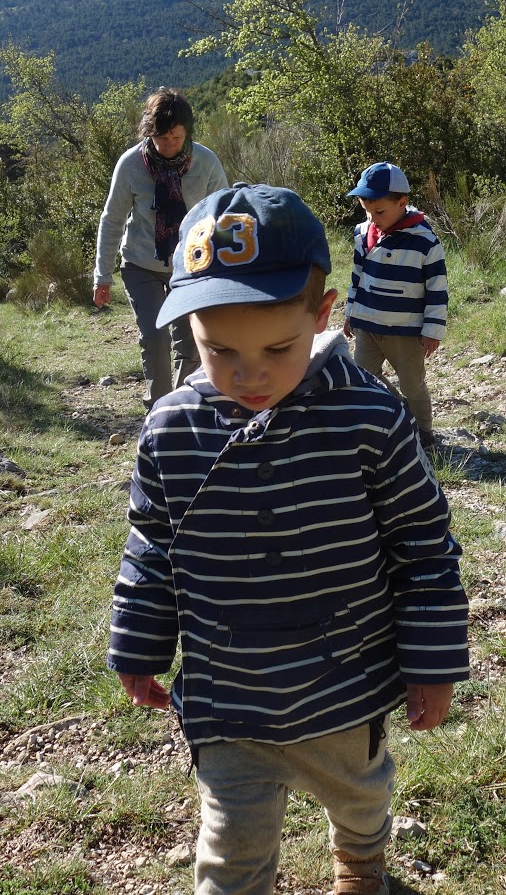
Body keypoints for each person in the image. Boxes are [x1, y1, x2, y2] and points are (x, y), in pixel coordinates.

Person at [107, 184, 470, 895]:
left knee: (362, 803)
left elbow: (422, 543)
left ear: (321, 313)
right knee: (230, 853)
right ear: (189, 329)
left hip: (344, 686)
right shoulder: (172, 431)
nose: (250, 373)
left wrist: (433, 664)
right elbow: (151, 546)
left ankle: (360, 870)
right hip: (227, 699)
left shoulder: (368, 415)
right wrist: (140, 645)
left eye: (278, 346)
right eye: (220, 350)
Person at [94, 87, 228, 408]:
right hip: (141, 264)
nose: (168, 146)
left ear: (187, 134)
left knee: (193, 342)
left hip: (192, 264)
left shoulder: (206, 163)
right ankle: (158, 408)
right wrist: (102, 276)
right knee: (155, 339)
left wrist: (225, 270)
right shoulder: (131, 165)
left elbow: (223, 216)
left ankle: (180, 407)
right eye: (161, 139)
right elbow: (112, 219)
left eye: (176, 138)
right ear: (149, 133)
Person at [341, 162, 449, 450]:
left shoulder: (424, 241)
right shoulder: (362, 234)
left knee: (412, 385)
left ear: (402, 203)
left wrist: (433, 329)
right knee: (363, 377)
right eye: (366, 211)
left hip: (406, 330)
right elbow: (357, 277)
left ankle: (424, 433)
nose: (372, 218)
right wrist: (351, 312)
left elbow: (437, 288)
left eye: (379, 212)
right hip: (367, 324)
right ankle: (397, 414)